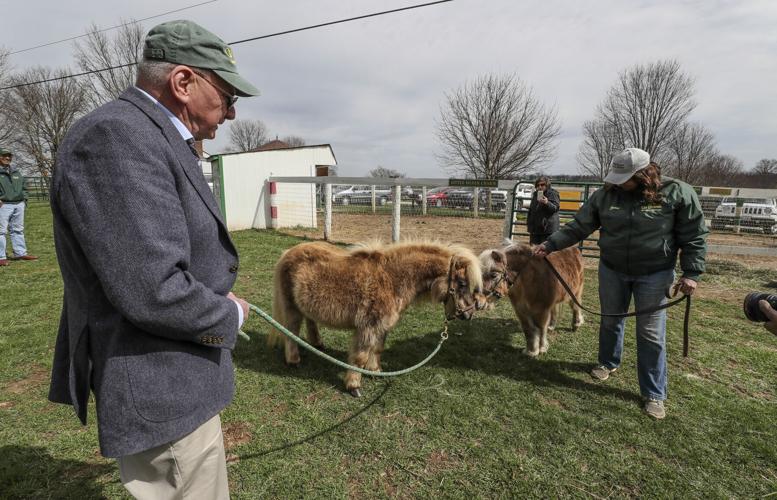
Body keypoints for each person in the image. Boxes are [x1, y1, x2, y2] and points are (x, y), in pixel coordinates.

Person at [48, 20, 258, 499]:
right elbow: (154, 289)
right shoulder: (116, 140)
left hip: (175, 373)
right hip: (158, 383)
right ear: (183, 82)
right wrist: (230, 313)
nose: (229, 114)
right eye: (227, 97)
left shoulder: (150, 136)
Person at [533, 147, 708, 420]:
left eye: (623, 177)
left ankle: (654, 392)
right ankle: (608, 362)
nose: (616, 182)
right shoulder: (606, 195)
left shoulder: (676, 193)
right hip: (612, 270)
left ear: (642, 174)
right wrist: (551, 244)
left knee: (650, 333)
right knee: (610, 320)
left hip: (655, 273)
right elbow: (579, 225)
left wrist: (691, 273)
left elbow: (694, 234)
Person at [0, 147, 38, 266]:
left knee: (18, 229)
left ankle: (20, 253)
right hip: (4, 205)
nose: (7, 158)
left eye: (9, 156)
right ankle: (1, 257)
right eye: (4, 155)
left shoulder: (16, 171)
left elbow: (24, 186)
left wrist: (24, 198)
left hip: (19, 204)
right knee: (1, 231)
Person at [526, 176, 560, 245]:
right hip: (535, 229)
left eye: (542, 185)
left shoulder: (552, 193)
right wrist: (530, 224)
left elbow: (555, 208)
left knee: (545, 252)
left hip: (547, 230)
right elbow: (532, 210)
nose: (540, 187)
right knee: (534, 251)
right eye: (538, 185)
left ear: (547, 185)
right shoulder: (536, 194)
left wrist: (547, 203)